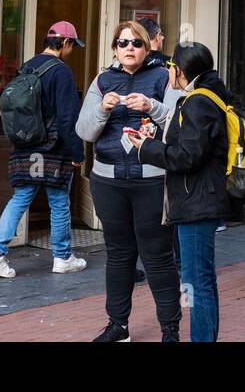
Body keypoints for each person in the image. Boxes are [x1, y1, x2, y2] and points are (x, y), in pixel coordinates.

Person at [76, 21, 180, 342]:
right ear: (114, 48)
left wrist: (153, 106)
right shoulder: (103, 80)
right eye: (123, 43)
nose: (129, 48)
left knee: (158, 256)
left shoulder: (163, 77)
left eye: (136, 42)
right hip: (109, 180)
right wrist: (103, 110)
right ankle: (118, 326)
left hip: (151, 179)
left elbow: (179, 125)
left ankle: (170, 329)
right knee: (119, 255)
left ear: (148, 47)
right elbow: (84, 131)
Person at [129, 42, 231, 342]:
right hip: (200, 198)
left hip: (196, 201)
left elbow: (187, 155)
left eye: (172, 67)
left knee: (194, 282)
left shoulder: (198, 103)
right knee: (202, 279)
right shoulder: (206, 97)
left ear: (180, 71)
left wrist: (145, 148)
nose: (169, 72)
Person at [0, 21, 89, 279]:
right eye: (72, 45)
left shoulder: (28, 66)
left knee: (20, 198)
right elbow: (67, 117)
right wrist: (77, 153)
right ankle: (62, 257)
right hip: (53, 147)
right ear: (65, 43)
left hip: (26, 144)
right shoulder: (61, 72)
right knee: (59, 200)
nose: (72, 51)